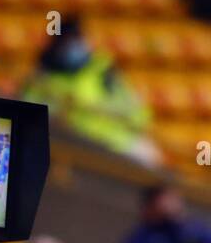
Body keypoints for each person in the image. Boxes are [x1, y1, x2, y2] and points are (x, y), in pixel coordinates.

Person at [19, 16, 159, 166]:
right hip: (75, 142)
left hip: (117, 141)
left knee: (152, 159)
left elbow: (137, 112)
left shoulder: (103, 71)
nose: (73, 45)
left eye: (77, 38)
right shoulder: (42, 79)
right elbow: (32, 113)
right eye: (67, 40)